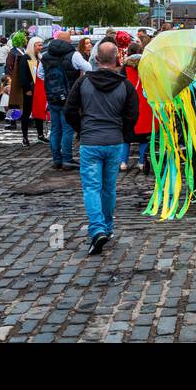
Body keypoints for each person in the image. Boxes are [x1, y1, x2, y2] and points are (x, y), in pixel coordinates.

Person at [64, 40, 140, 255]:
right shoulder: (125, 85)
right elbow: (132, 114)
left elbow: (69, 111)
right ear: (117, 59)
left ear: (96, 59)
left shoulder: (83, 83)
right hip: (114, 141)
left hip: (91, 141)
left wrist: (82, 129)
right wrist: (123, 134)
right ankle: (107, 227)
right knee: (108, 187)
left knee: (91, 187)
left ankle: (98, 229)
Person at [41, 30, 91, 170]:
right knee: (68, 129)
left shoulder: (45, 56)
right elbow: (89, 68)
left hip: (52, 96)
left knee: (55, 128)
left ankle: (57, 159)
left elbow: (39, 74)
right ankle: (67, 159)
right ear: (67, 41)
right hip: (69, 97)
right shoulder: (73, 55)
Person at [122, 39, 154, 174]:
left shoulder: (124, 68)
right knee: (145, 136)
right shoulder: (148, 65)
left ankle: (123, 162)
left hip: (129, 102)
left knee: (126, 137)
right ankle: (142, 162)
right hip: (145, 103)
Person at [25, 36, 48, 146]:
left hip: (38, 89)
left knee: (39, 112)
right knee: (26, 113)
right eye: (38, 45)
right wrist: (27, 89)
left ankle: (40, 135)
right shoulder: (25, 58)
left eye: (41, 45)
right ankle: (25, 137)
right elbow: (23, 76)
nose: (40, 47)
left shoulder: (39, 57)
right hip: (29, 91)